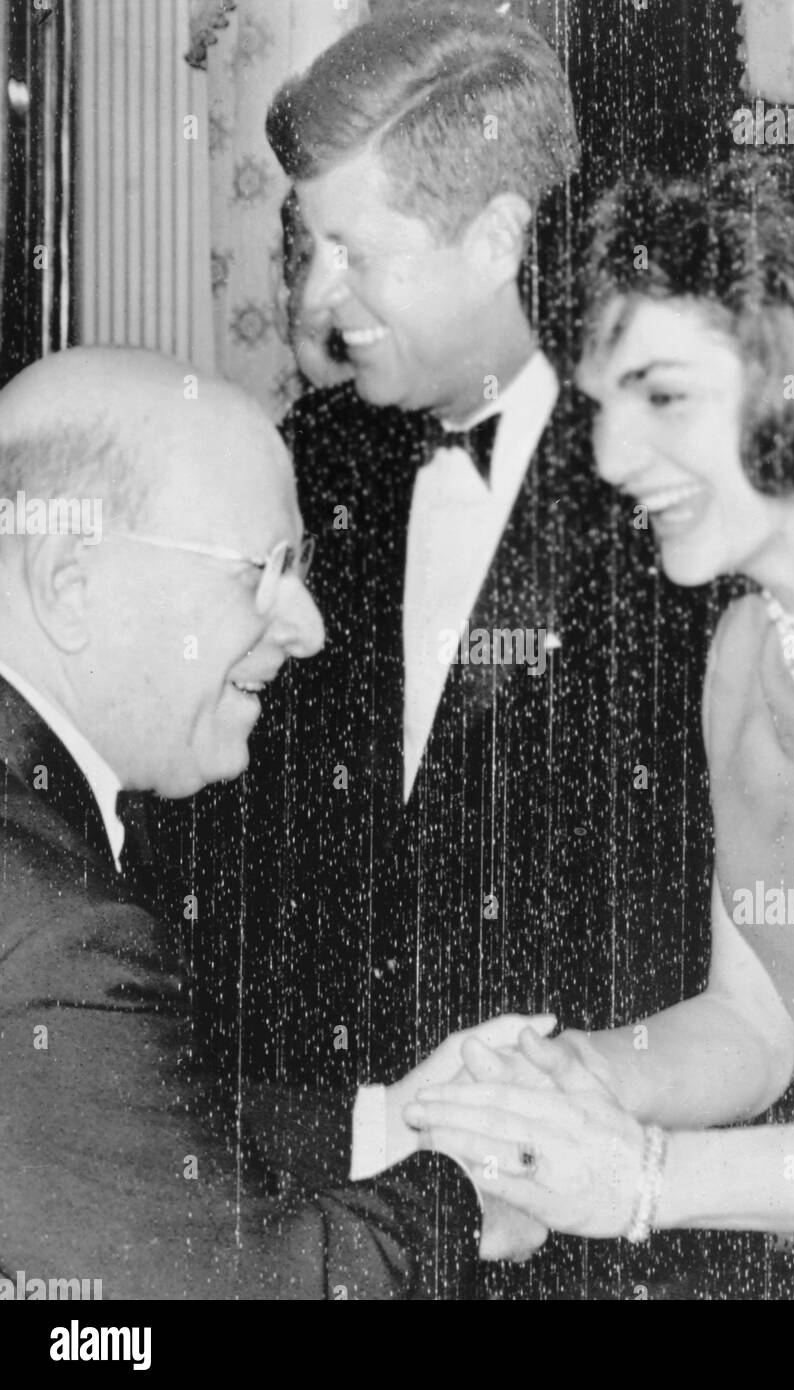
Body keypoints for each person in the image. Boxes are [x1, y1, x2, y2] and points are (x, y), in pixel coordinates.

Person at [407, 138, 794, 1300]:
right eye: (601, 402)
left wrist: (646, 1179)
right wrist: (557, 1082)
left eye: (664, 394)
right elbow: (756, 1024)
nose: (613, 455)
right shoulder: (750, 654)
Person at [195, 1, 701, 1298]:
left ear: (493, 240)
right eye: (308, 252)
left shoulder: (683, 504)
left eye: (354, 254)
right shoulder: (306, 462)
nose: (316, 302)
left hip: (598, 1233)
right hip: (341, 1208)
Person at [0, 345, 552, 1299]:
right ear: (70, 586)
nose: (309, 627)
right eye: (260, 572)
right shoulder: (57, 926)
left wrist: (388, 1125)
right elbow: (258, 1289)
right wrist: (459, 1194)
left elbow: (111, 1121)